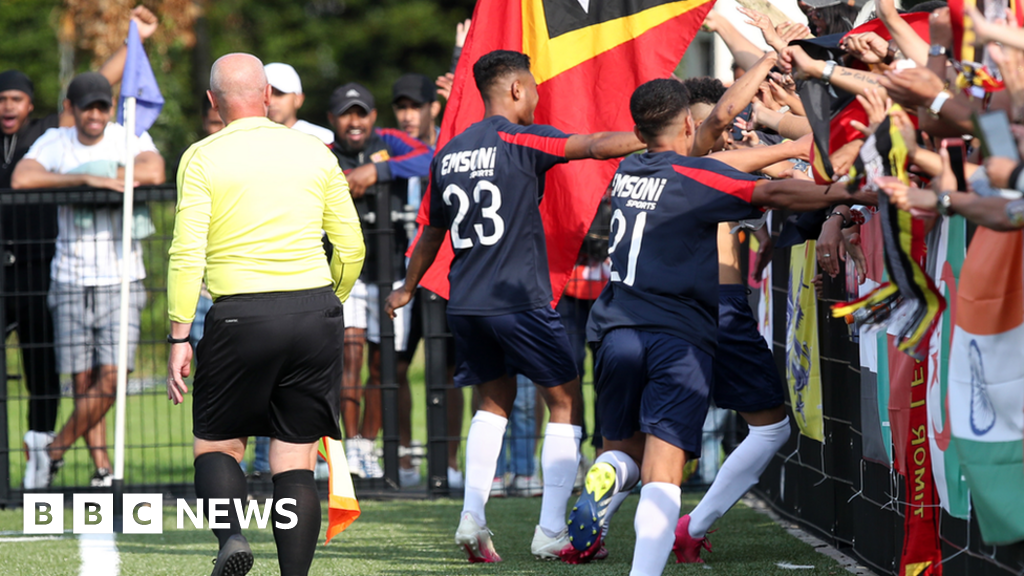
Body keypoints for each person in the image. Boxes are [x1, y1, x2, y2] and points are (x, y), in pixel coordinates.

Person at [566, 79, 873, 575]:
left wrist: (783, 140)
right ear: (690, 124)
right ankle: (684, 532)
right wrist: (841, 184)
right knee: (693, 458)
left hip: (615, 325)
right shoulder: (697, 170)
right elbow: (760, 182)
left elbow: (722, 147)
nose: (733, 132)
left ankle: (607, 475)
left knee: (624, 450)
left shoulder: (630, 168)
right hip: (696, 320)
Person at [384, 49, 645, 563]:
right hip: (518, 299)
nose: (540, 95)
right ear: (516, 90)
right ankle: (551, 531)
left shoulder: (451, 151)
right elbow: (591, 146)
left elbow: (431, 230)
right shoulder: (520, 136)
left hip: (466, 303)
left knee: (492, 403)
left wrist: (408, 288)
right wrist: (651, 139)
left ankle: (472, 518)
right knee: (567, 401)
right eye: (534, 85)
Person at [166, 53, 364, 576]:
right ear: (269, 95)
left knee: (219, 442)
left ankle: (231, 538)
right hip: (315, 310)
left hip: (239, 317)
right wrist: (331, 298)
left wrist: (178, 337)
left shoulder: (201, 156)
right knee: (295, 457)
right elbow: (351, 246)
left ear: (213, 101)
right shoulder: (316, 152)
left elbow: (186, 255)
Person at [1, 4, 158, 490]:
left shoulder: (50, 132)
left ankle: (52, 449)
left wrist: (137, 40)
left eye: (16, 98)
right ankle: (97, 468)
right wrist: (91, 179)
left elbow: (97, 87)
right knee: (82, 379)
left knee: (68, 376)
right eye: (1, 98)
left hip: (49, 264)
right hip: (59, 274)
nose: (8, 106)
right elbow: (24, 177)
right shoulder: (55, 144)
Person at [326, 81, 431, 479]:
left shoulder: (390, 141)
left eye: (362, 112)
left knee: (384, 365)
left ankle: (368, 447)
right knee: (348, 357)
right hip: (346, 271)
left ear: (373, 117)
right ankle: (349, 448)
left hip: (393, 273)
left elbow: (432, 159)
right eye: (346, 113)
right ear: (331, 119)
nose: (355, 122)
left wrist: (378, 170)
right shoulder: (324, 152)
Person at [265, 62, 334, 144]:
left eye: (279, 94)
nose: (271, 102)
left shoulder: (324, 139)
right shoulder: (249, 139)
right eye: (266, 95)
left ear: (298, 99)